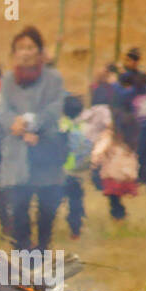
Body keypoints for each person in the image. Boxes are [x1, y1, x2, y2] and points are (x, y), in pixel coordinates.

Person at [0, 26, 67, 254]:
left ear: (39, 51)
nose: (25, 52)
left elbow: (55, 108)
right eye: (20, 48)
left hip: (45, 150)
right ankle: (23, 255)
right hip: (17, 154)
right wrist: (13, 123)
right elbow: (2, 110)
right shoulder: (8, 80)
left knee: (47, 209)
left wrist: (31, 123)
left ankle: (43, 250)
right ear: (14, 53)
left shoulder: (53, 78)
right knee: (18, 208)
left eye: (30, 47)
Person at [91, 113, 140, 220]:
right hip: (127, 174)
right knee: (117, 196)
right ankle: (120, 214)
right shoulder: (131, 139)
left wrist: (94, 161)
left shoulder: (109, 136)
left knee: (113, 198)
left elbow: (100, 149)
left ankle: (118, 215)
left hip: (112, 174)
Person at [61, 94, 92, 237]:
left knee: (54, 199)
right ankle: (75, 229)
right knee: (75, 199)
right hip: (78, 171)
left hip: (61, 170)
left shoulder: (61, 125)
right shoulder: (85, 127)